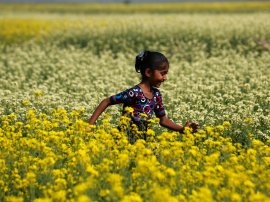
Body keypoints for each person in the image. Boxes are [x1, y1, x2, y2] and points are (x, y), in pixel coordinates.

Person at [89, 50, 198, 136]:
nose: (165, 78)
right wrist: (89, 126)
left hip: (143, 140)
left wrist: (183, 130)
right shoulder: (134, 93)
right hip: (124, 139)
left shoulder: (156, 95)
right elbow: (107, 101)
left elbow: (163, 120)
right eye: (162, 74)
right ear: (148, 72)